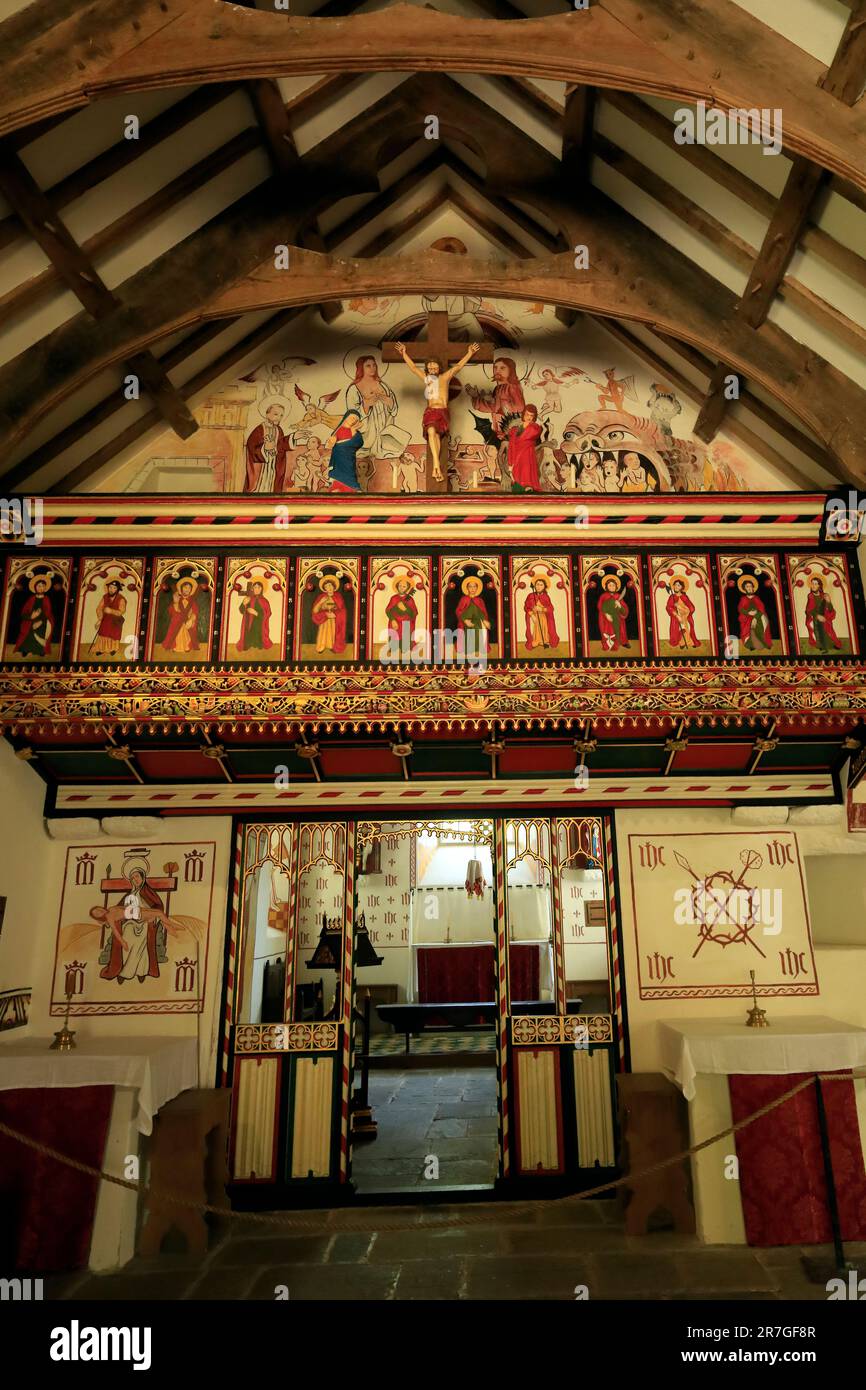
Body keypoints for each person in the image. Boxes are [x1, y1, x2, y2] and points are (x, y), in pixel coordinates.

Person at [395, 341, 480, 482]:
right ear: (427, 369)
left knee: (436, 436)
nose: (432, 367)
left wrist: (470, 353)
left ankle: (436, 466)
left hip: (443, 412)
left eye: (434, 365)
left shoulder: (444, 377)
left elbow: (458, 366)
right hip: (431, 411)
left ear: (439, 367)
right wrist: (404, 353)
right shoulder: (427, 379)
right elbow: (413, 368)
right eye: (429, 366)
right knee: (430, 432)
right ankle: (436, 465)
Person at [96, 867, 173, 984]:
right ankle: (128, 971)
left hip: (146, 922)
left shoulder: (149, 893)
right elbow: (119, 909)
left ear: (143, 878)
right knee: (128, 931)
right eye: (132, 878)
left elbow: (158, 906)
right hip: (129, 923)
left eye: (137, 876)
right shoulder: (130, 894)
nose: (135, 879)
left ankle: (137, 971)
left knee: (140, 939)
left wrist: (151, 916)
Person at [345, 355, 411, 461]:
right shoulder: (354, 389)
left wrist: (388, 401)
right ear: (361, 368)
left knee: (390, 443)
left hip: (384, 426)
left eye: (374, 365)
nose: (372, 368)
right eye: (368, 366)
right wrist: (366, 405)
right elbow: (352, 415)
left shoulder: (383, 385)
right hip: (367, 432)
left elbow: (393, 409)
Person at [244, 398, 292, 492]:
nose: (279, 417)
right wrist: (264, 448)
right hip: (261, 467)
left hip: (273, 465)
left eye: (281, 415)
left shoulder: (279, 430)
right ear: (267, 414)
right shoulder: (259, 429)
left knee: (271, 486)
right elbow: (251, 446)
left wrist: (293, 437)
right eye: (276, 414)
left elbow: (281, 444)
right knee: (259, 487)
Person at [13, 577, 54, 657]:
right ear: (35, 587)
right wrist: (31, 617)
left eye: (42, 586)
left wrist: (40, 621)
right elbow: (24, 612)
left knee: (42, 627)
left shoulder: (46, 599)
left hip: (43, 620)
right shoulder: (31, 599)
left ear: (45, 588)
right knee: (28, 627)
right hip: (30, 619)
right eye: (38, 586)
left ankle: (40, 650)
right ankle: (26, 649)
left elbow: (48, 612)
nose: (40, 588)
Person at [325, 410, 364, 492]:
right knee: (337, 484)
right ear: (346, 418)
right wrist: (334, 443)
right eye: (352, 417)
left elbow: (359, 442)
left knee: (351, 479)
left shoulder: (357, 433)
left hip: (349, 460)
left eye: (356, 420)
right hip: (338, 461)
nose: (353, 420)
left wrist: (353, 431)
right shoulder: (338, 431)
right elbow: (330, 445)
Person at [162, 578, 201, 655]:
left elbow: (195, 612)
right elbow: (171, 611)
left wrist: (191, 619)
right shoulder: (177, 598)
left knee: (187, 632)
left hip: (188, 621)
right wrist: (175, 602)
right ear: (181, 588)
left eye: (189, 588)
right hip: (178, 621)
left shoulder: (192, 601)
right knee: (178, 632)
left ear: (191, 590)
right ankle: (176, 647)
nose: (187, 589)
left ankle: (187, 647)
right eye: (185, 587)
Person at [508, 405, 543, 491]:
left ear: (534, 417)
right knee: (516, 477)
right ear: (523, 415)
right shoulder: (515, 429)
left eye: (531, 415)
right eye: (527, 414)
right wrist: (510, 462)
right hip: (515, 455)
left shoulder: (535, 428)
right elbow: (512, 445)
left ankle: (527, 487)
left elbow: (528, 437)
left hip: (527, 454)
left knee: (526, 473)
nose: (529, 417)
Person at [311, 577, 347, 655]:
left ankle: (331, 646)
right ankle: (321, 647)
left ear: (334, 587)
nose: (329, 588)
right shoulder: (321, 597)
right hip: (324, 619)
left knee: (332, 632)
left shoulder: (338, 596)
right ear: (324, 588)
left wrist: (335, 614)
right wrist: (321, 602)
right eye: (327, 586)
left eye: (330, 585)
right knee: (323, 633)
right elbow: (315, 610)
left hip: (334, 619)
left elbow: (342, 610)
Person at [805, 576, 842, 652]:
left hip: (825, 617)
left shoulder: (824, 595)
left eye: (815, 584)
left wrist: (829, 602)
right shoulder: (810, 596)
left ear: (819, 585)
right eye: (812, 584)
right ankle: (819, 644)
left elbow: (830, 609)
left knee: (828, 629)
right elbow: (808, 610)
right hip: (814, 618)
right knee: (812, 625)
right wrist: (817, 616)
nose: (813, 585)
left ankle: (837, 643)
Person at [90, 580, 126, 657]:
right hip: (105, 619)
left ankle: (113, 649)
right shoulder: (105, 597)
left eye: (114, 588)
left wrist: (111, 611)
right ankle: (101, 649)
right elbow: (99, 608)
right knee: (103, 632)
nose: (111, 589)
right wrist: (100, 618)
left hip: (115, 621)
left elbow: (121, 611)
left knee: (113, 634)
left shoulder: (121, 599)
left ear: (117, 589)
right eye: (110, 587)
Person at [455, 576, 491, 653]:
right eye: (470, 586)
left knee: (480, 630)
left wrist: (485, 620)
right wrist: (465, 620)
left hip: (478, 622)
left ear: (477, 588)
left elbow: (482, 612)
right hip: (466, 623)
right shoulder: (464, 599)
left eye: (474, 586)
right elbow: (458, 611)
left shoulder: (480, 600)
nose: (472, 589)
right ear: (467, 588)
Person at [737, 576, 773, 652]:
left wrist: (756, 617)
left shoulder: (756, 598)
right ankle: (751, 644)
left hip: (758, 617)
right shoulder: (743, 599)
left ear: (753, 588)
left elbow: (761, 609)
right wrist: (748, 613)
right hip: (747, 618)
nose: (749, 588)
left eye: (750, 586)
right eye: (747, 586)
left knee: (762, 621)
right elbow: (740, 609)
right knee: (749, 627)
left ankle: (764, 643)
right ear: (744, 589)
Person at [524, 577, 559, 651]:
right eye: (537, 584)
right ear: (535, 586)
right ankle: (535, 641)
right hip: (533, 617)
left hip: (543, 616)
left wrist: (542, 609)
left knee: (544, 628)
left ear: (544, 586)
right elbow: (526, 607)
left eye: (541, 585)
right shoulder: (530, 596)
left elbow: (551, 608)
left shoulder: (546, 597)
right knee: (534, 628)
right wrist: (532, 615)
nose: (538, 586)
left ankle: (544, 641)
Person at [237, 580, 273, 653]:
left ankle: (259, 644)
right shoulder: (249, 598)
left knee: (258, 642)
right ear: (252, 589)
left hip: (259, 623)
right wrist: (243, 604)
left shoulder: (264, 601)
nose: (257, 589)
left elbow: (268, 613)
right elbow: (241, 610)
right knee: (247, 640)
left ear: (261, 589)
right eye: (255, 587)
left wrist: (256, 613)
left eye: (259, 587)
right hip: (248, 623)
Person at [666, 579, 699, 650]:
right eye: (675, 585)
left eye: (678, 585)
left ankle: (689, 642)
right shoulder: (672, 597)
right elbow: (668, 607)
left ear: (681, 587)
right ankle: (681, 643)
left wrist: (680, 607)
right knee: (679, 629)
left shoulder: (684, 597)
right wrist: (677, 615)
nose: (676, 587)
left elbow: (691, 608)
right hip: (676, 618)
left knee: (687, 628)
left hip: (686, 616)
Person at [598, 576, 629, 652]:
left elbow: (624, 610)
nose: (612, 587)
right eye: (610, 585)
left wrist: (619, 605)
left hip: (616, 618)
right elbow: (600, 606)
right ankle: (607, 645)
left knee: (618, 631)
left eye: (613, 585)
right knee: (607, 632)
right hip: (605, 618)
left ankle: (619, 643)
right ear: (606, 587)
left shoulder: (618, 596)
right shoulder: (603, 596)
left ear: (616, 587)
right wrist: (606, 615)